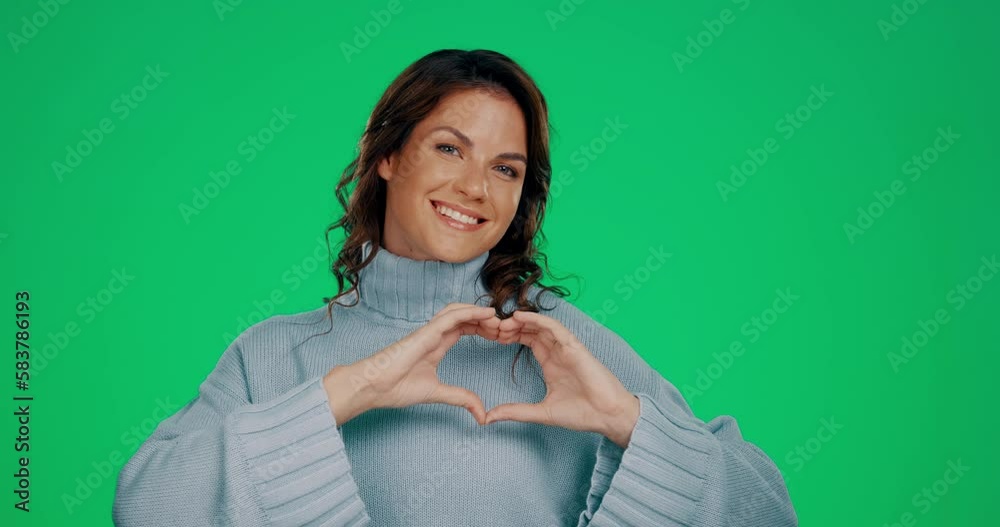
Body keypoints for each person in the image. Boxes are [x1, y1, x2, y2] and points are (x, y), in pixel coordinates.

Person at [113, 49, 798, 526]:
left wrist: (626, 420)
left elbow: (767, 512)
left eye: (506, 168)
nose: (475, 187)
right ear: (385, 155)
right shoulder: (272, 353)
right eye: (449, 148)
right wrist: (351, 391)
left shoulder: (559, 345)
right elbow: (145, 507)